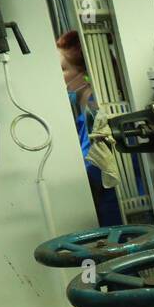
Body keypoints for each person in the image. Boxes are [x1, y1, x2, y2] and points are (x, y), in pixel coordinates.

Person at [57, 29, 122, 225]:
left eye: (63, 69)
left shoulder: (95, 108)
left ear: (85, 74)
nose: (57, 77)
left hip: (115, 205)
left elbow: (92, 167)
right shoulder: (85, 108)